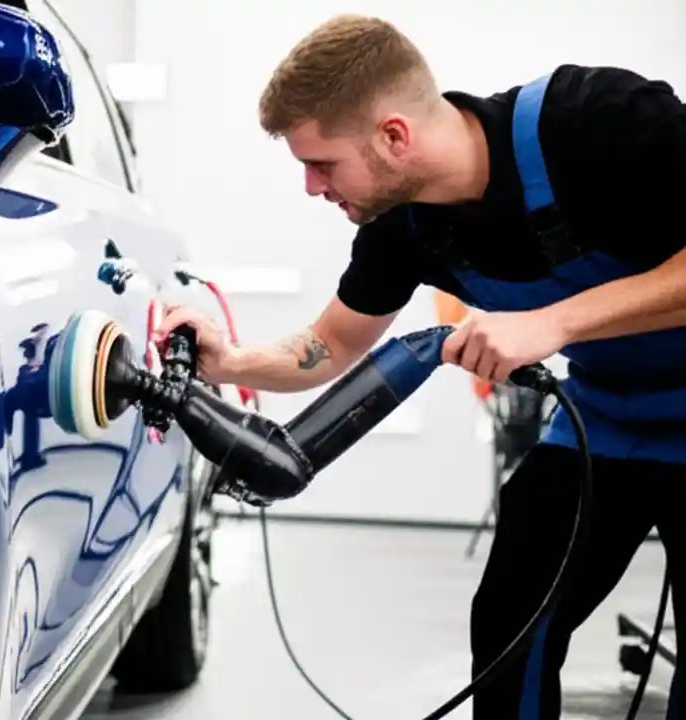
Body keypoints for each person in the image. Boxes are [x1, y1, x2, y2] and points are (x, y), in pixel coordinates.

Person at [152, 13, 686, 719]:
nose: (311, 187)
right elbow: (332, 342)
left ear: (394, 136)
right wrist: (230, 359)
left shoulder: (594, 121)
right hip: (611, 416)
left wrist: (552, 324)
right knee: (511, 623)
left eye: (322, 164)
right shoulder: (402, 227)